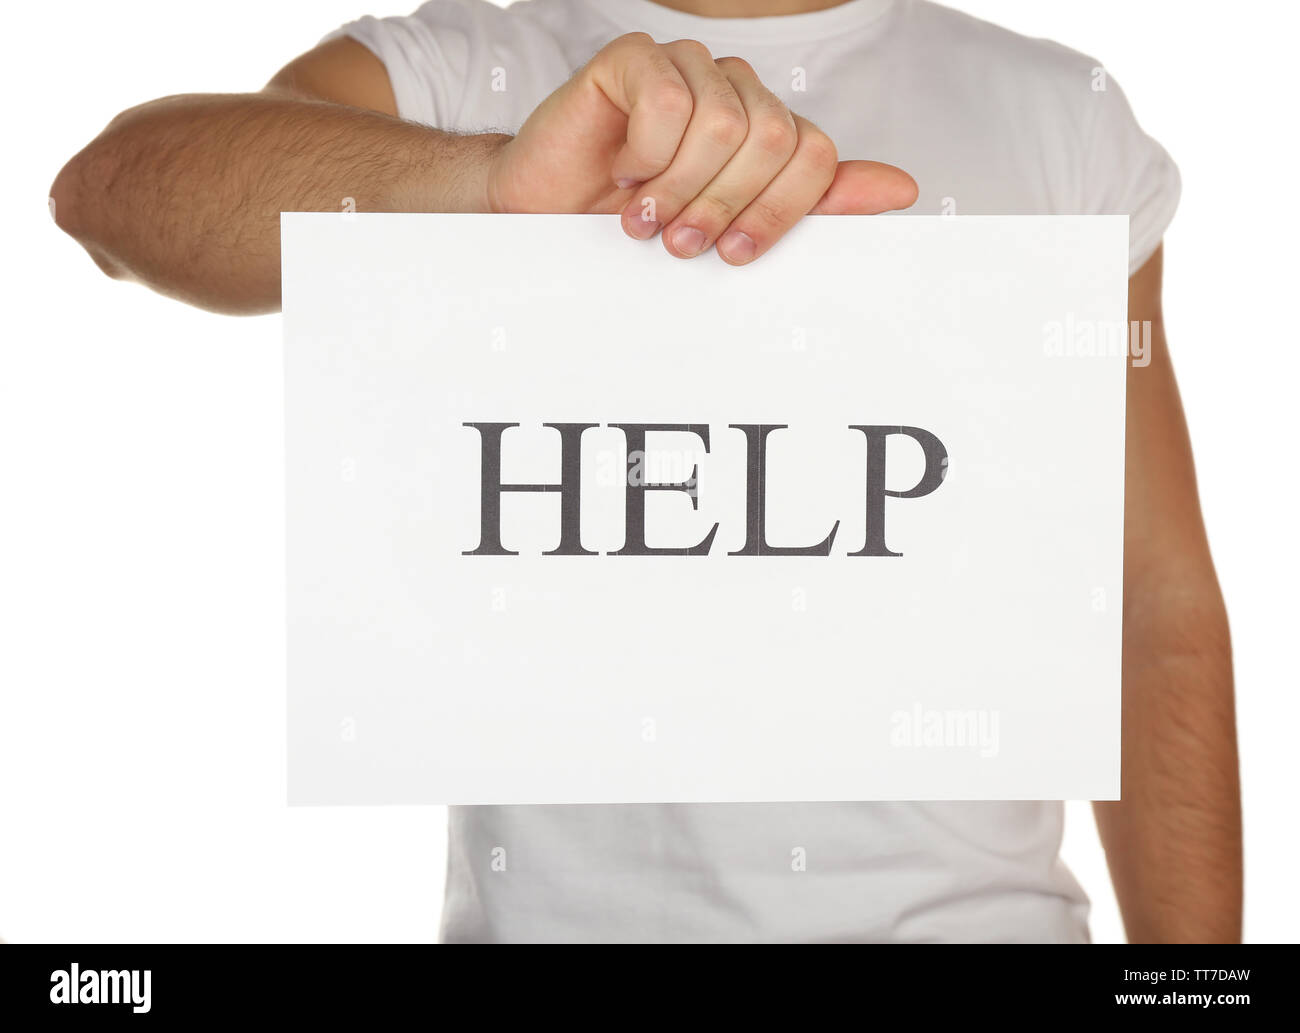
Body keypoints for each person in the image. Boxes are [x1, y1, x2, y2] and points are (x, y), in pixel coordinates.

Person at [49, 0, 1240, 943]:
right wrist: (489, 184)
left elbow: (1145, 600)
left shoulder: (1060, 117)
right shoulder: (465, 66)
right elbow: (114, 196)